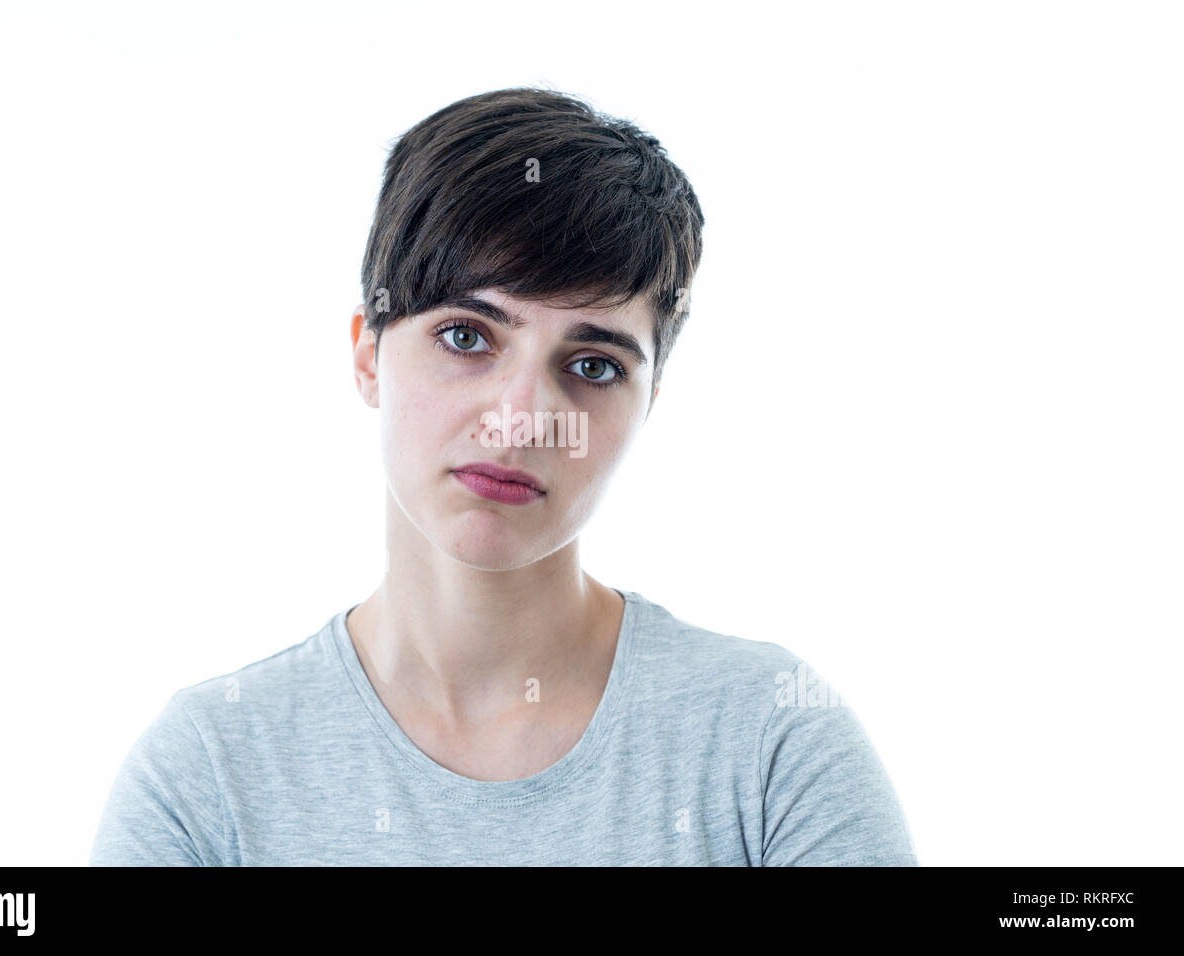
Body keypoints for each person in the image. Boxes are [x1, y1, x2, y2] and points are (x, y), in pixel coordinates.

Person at [89, 87, 918, 866]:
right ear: (368, 355)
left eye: (592, 366)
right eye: (466, 338)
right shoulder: (208, 777)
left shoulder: (772, 744)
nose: (520, 419)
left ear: (648, 403)